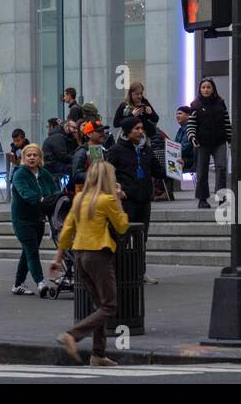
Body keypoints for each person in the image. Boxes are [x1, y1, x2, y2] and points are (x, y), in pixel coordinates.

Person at [50, 160, 130, 367]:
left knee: (99, 306)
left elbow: (67, 230)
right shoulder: (107, 200)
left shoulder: (79, 199)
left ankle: (98, 355)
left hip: (79, 255)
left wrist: (58, 258)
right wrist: (119, 200)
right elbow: (122, 227)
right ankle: (72, 335)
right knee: (109, 306)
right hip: (98, 256)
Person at [106, 116, 165, 285]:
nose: (140, 132)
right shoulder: (117, 150)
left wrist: (174, 165)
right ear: (127, 132)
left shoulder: (145, 149)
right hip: (126, 200)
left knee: (141, 238)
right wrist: (118, 189)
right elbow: (108, 173)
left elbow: (158, 171)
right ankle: (122, 271)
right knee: (123, 237)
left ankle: (140, 272)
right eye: (137, 129)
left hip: (144, 200)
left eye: (141, 129)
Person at [10, 144, 60, 297]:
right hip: (22, 220)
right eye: (29, 155)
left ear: (40, 158)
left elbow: (54, 191)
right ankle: (41, 283)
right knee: (31, 250)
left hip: (39, 219)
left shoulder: (44, 174)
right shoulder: (19, 174)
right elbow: (26, 194)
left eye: (35, 155)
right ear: (24, 158)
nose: (32, 158)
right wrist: (43, 200)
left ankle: (18, 284)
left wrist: (57, 200)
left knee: (28, 252)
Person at [187, 78, 231, 208]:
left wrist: (230, 138)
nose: (206, 90)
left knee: (221, 168)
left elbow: (226, 122)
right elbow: (191, 124)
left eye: (208, 87)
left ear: (213, 89)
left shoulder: (220, 103)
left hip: (219, 141)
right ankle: (202, 199)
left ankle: (221, 197)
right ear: (200, 90)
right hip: (202, 143)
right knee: (202, 170)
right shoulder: (195, 105)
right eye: (203, 87)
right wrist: (192, 137)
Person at [71, 120, 111, 189]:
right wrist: (95, 175)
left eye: (103, 131)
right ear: (89, 134)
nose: (102, 134)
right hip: (86, 194)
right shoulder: (82, 151)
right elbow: (76, 175)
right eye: (99, 131)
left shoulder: (103, 149)